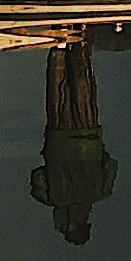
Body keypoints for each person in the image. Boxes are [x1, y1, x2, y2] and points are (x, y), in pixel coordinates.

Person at [28, 39, 117, 245]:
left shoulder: (101, 192)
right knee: (57, 87)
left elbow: (111, 164)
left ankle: (80, 42)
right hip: (58, 138)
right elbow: (37, 175)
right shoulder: (50, 198)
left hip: (88, 134)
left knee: (83, 83)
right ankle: (59, 45)